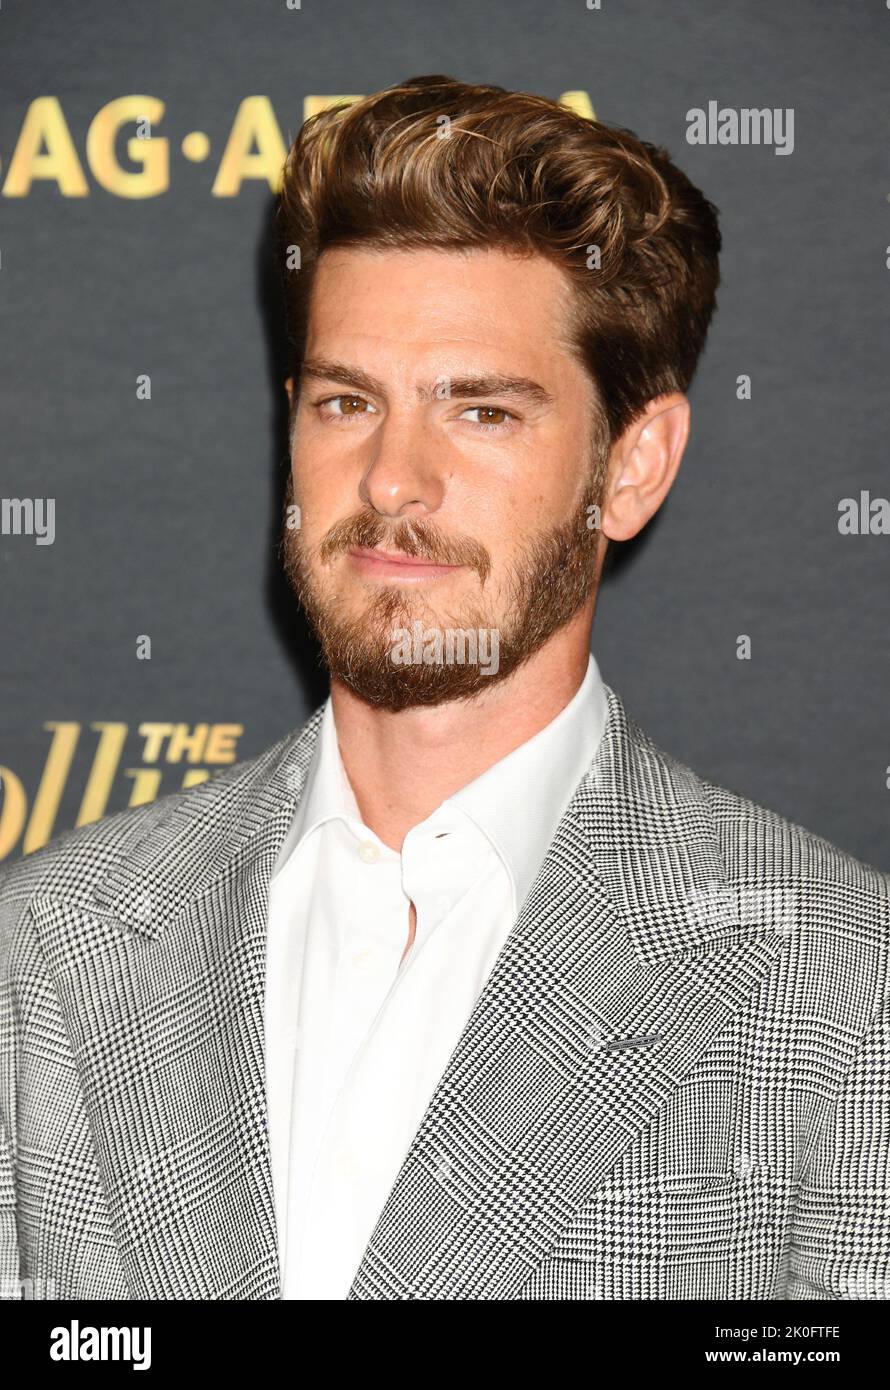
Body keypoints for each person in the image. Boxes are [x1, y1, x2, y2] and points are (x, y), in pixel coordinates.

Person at [1, 76, 887, 1302]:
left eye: (479, 410)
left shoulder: (841, 990)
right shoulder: (46, 948)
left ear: (630, 466)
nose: (391, 482)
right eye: (345, 402)